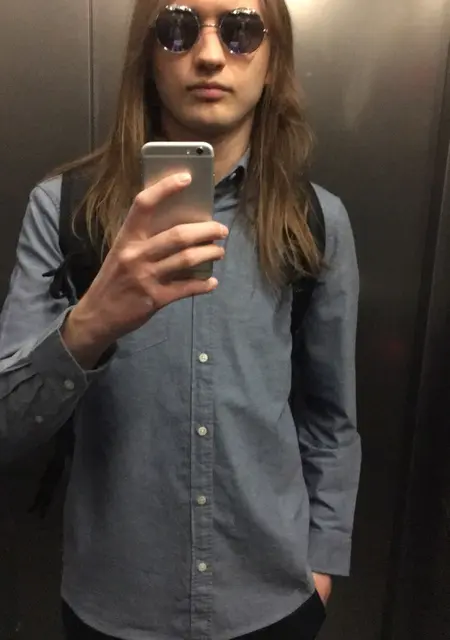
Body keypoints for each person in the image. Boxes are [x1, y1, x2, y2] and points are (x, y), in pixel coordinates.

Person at [0, 1, 361, 639]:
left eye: (242, 30)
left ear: (274, 60)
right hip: (113, 605)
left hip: (272, 601)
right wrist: (89, 327)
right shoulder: (63, 210)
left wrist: (322, 564)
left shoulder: (316, 219)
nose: (211, 55)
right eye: (178, 27)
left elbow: (330, 417)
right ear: (147, 54)